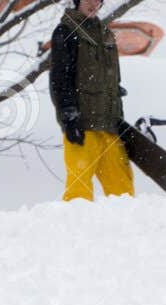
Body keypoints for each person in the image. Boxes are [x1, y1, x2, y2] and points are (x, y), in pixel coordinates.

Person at [49, 0, 135, 202]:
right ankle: (74, 229)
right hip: (83, 125)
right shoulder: (65, 31)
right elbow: (60, 80)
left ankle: (125, 229)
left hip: (109, 124)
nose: (93, 3)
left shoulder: (105, 33)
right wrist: (69, 115)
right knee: (79, 189)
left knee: (122, 189)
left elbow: (114, 78)